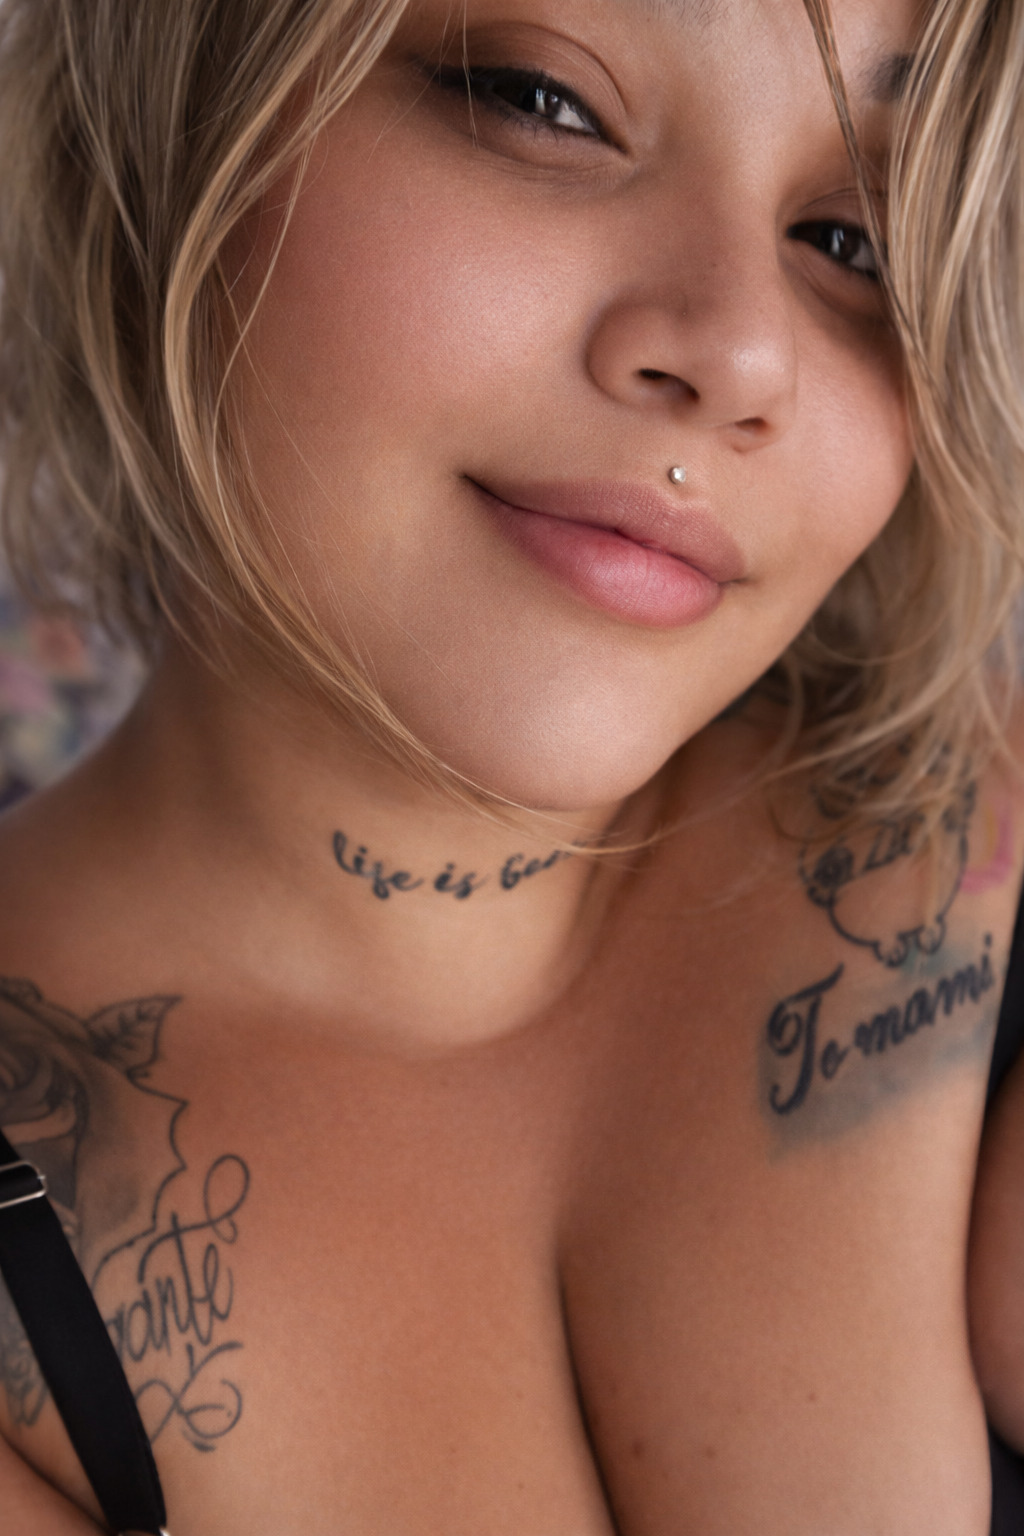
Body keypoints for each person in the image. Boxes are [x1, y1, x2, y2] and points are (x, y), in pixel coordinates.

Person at [0, 0, 1023, 1529]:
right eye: (545, 105)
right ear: (184, 97)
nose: (742, 354)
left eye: (850, 242)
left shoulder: (982, 858)